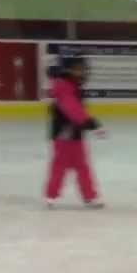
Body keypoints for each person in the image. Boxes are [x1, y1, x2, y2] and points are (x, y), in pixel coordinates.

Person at [45, 56, 104, 209]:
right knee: (60, 165)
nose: (83, 72)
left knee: (82, 166)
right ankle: (51, 195)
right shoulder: (65, 87)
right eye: (79, 69)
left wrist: (87, 122)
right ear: (69, 70)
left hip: (74, 133)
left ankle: (89, 196)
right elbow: (72, 109)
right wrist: (90, 122)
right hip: (64, 134)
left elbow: (76, 108)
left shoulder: (70, 85)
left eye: (83, 69)